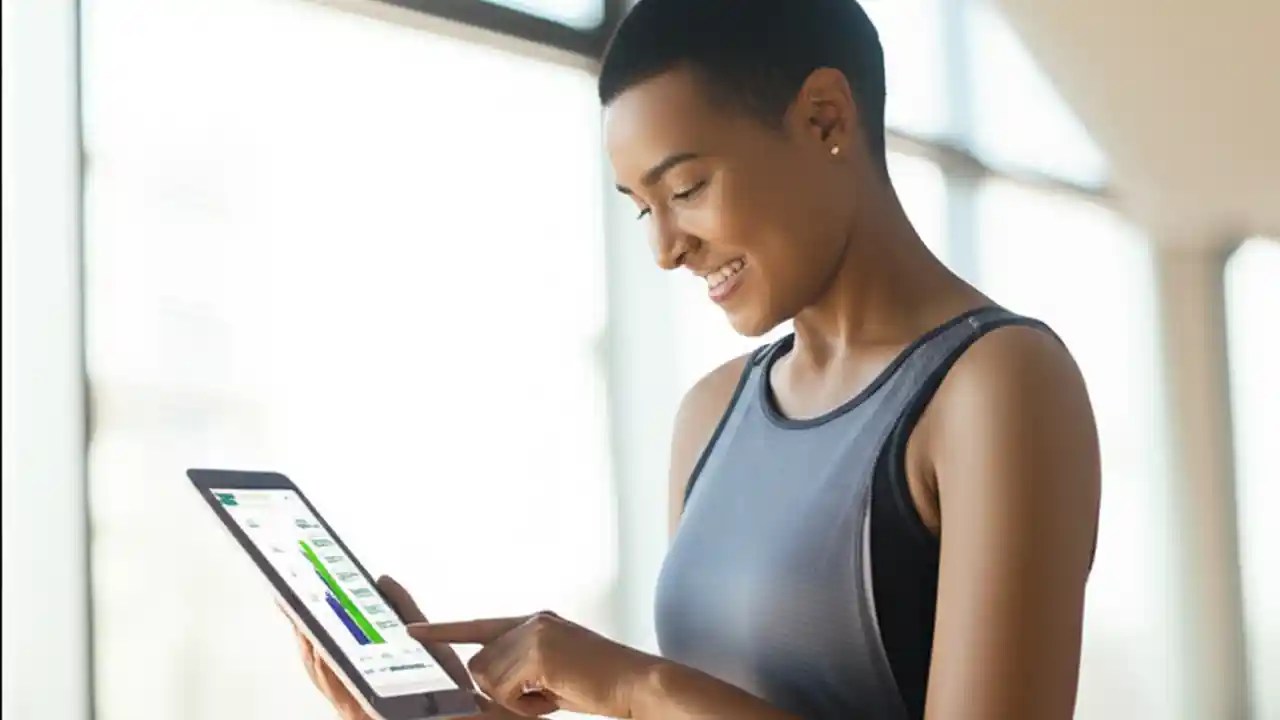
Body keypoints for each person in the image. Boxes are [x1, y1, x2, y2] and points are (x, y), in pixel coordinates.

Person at [288, 0, 1101, 717]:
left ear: (824, 118)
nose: (667, 249)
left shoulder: (995, 383)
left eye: (686, 190)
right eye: (643, 208)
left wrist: (637, 687)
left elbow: (665, 700)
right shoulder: (713, 414)